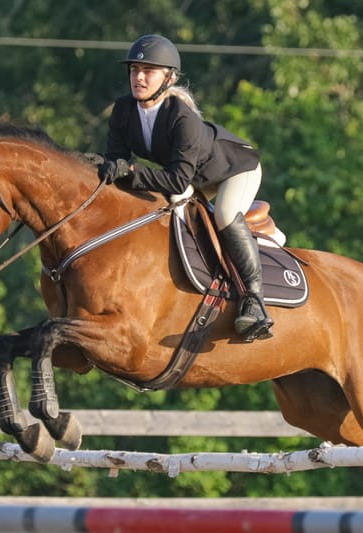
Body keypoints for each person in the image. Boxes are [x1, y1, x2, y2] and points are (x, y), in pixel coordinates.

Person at [100, 34, 273, 342]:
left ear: (168, 78)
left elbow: (177, 181)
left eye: (148, 71)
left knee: (224, 214)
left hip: (235, 169)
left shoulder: (181, 117)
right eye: (134, 70)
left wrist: (131, 171)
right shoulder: (124, 110)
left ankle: (254, 300)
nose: (139, 77)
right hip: (191, 175)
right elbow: (117, 162)